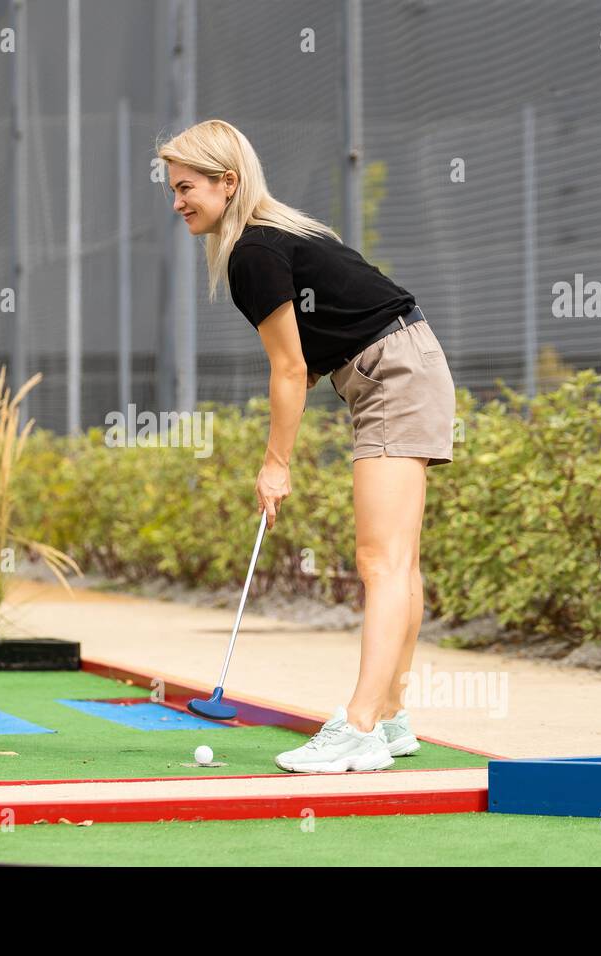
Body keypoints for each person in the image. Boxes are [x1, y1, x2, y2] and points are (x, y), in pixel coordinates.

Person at [158, 121, 457, 773]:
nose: (177, 201)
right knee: (398, 563)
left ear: (226, 183)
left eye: (186, 188)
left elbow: (290, 369)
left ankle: (358, 725)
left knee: (382, 561)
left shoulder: (252, 252)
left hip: (393, 377)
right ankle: (390, 716)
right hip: (407, 365)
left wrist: (276, 464)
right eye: (173, 189)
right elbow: (320, 345)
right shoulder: (278, 238)